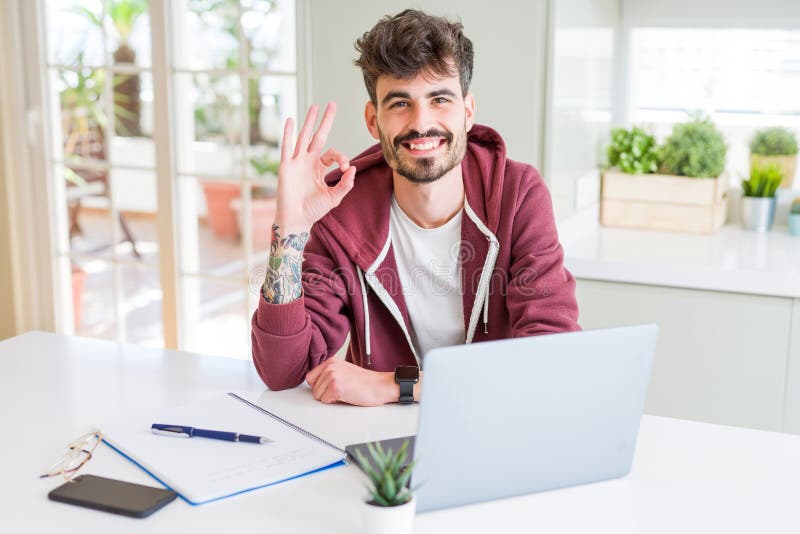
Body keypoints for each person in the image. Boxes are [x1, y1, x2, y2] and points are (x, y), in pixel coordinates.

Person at [251, 9, 580, 406]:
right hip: (381, 439)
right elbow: (282, 370)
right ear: (374, 120)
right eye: (400, 103)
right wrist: (289, 230)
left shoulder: (517, 194)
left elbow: (553, 358)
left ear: (467, 111)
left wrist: (397, 385)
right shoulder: (341, 208)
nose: (421, 123)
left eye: (439, 99)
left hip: (496, 420)